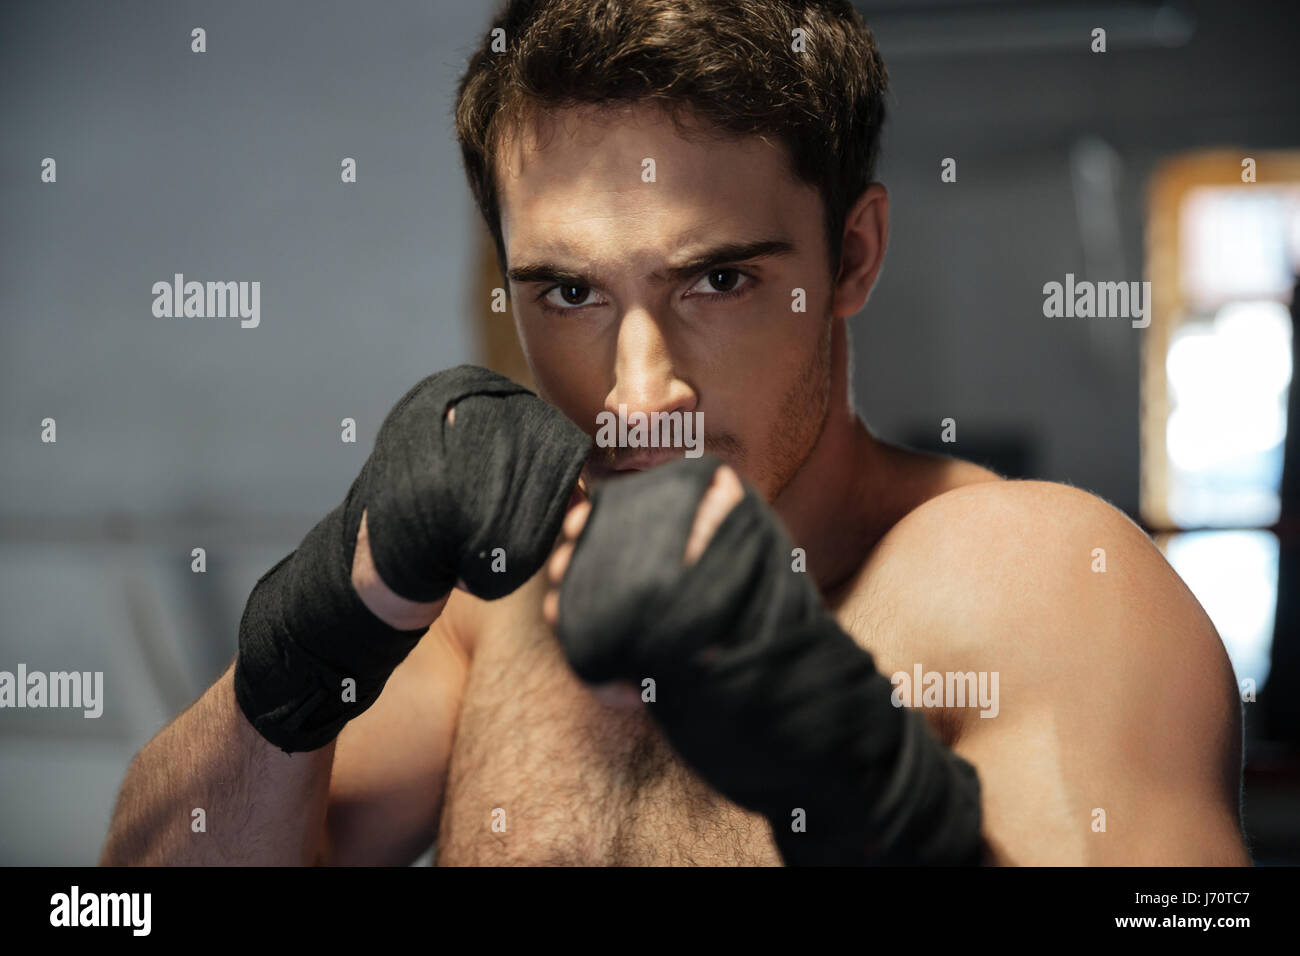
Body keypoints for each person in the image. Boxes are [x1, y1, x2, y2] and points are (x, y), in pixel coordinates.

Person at [101, 0, 1250, 866]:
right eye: (568, 292)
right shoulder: (493, 616)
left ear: (852, 255)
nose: (638, 391)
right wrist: (312, 631)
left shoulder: (1046, 581)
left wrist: (885, 811)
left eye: (716, 280)